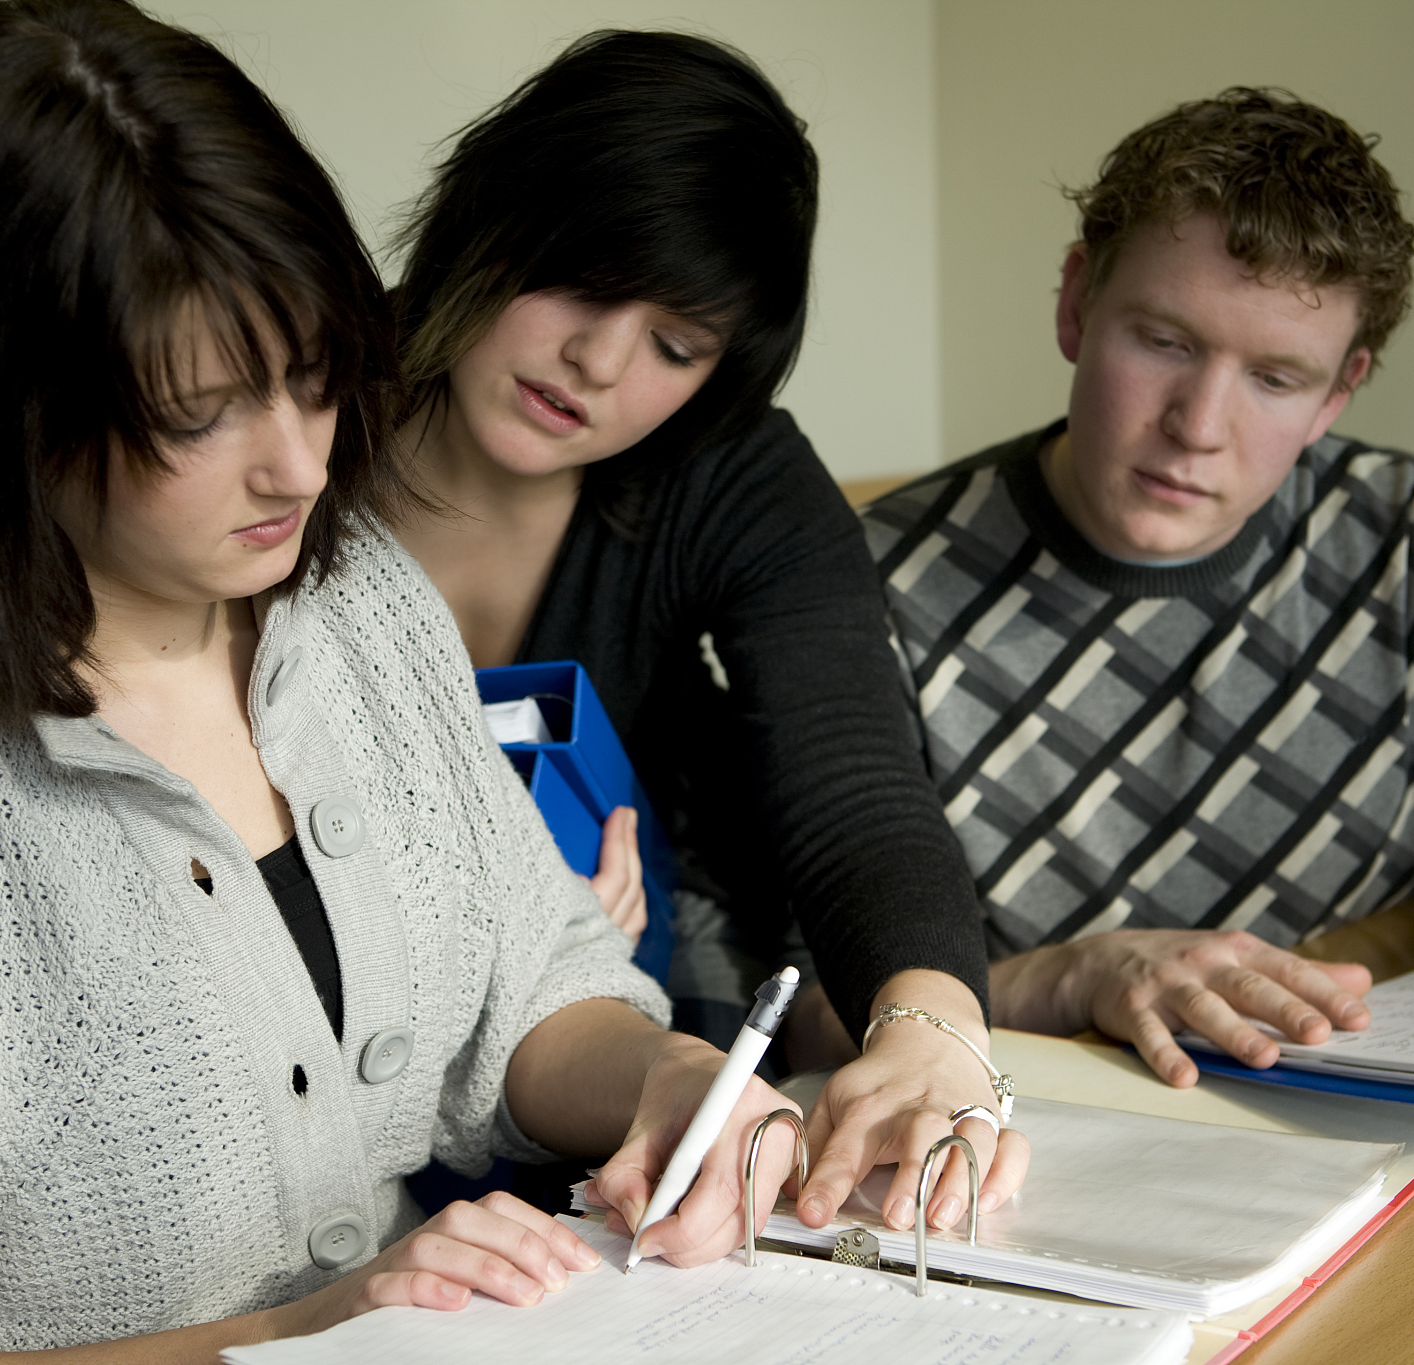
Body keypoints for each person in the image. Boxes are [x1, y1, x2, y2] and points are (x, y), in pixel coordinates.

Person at [0, 3, 805, 1358]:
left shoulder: (355, 606)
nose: (304, 468)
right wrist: (296, 1330)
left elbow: (529, 979)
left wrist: (672, 1080)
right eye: (195, 416)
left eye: (319, 376)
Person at [861, 88, 1414, 1088]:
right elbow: (776, 1007)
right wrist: (1069, 976)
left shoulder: (1404, 537)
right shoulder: (872, 584)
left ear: (1336, 392)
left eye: (1273, 379)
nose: (1196, 425)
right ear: (1074, 302)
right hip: (1016, 1131)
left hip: (1353, 1113)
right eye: (1162, 341)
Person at [388, 29, 1027, 1236]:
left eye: (675, 347)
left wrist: (929, 1023)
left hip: (594, 1092)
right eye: (577, 282)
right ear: (488, 215)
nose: (596, 360)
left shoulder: (722, 472)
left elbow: (851, 776)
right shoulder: (274, 426)